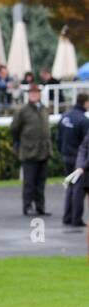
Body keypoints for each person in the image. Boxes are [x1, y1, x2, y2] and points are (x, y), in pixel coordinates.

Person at [10, 83, 50, 216]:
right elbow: (14, 128)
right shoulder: (23, 110)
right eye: (32, 93)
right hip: (29, 151)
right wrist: (20, 142)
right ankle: (27, 206)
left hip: (43, 151)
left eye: (36, 92)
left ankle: (40, 207)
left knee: (41, 182)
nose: (34, 95)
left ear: (39, 94)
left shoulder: (44, 109)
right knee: (29, 182)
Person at [57, 93, 88, 227]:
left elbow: (58, 137)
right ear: (85, 102)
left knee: (70, 186)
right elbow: (85, 144)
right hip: (78, 160)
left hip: (66, 155)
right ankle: (76, 219)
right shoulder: (83, 120)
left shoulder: (65, 116)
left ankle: (67, 217)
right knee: (78, 189)